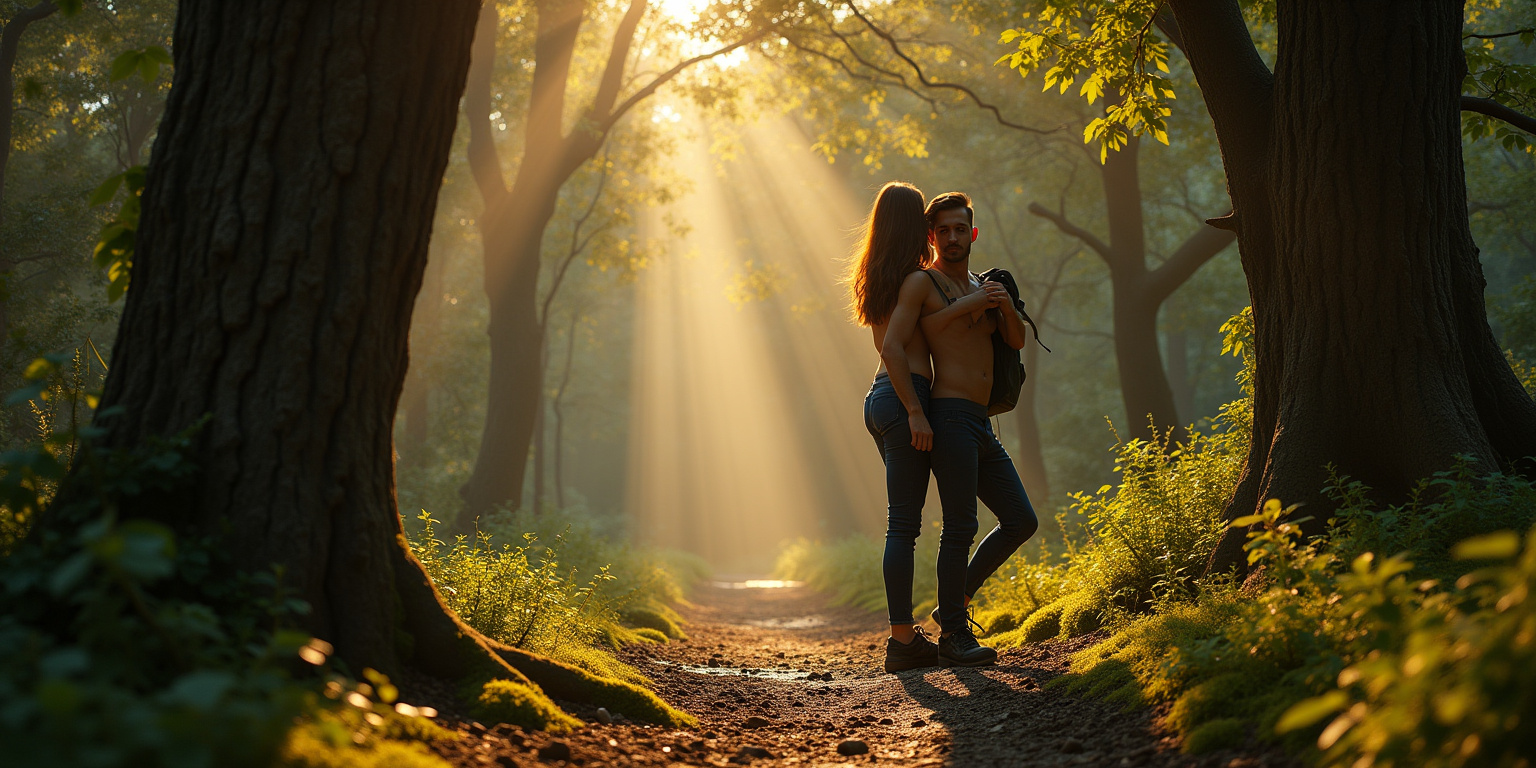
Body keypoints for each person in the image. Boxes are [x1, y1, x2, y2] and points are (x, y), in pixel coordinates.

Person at [881, 191, 1039, 667]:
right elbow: (923, 332)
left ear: (973, 233)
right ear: (932, 237)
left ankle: (954, 600)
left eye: (960, 229)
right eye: (943, 230)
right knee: (961, 525)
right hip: (948, 414)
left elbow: (1016, 340)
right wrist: (970, 303)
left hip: (981, 419)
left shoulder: (984, 282)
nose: (952, 237)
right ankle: (953, 635)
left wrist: (1003, 305)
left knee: (1020, 520)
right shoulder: (922, 282)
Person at [850, 182, 944, 673]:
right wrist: (915, 410)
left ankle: (906, 636)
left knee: (901, 522)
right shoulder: (914, 279)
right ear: (915, 225)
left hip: (878, 399)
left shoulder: (877, 274)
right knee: (904, 525)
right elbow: (899, 350)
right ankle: (903, 640)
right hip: (904, 397)